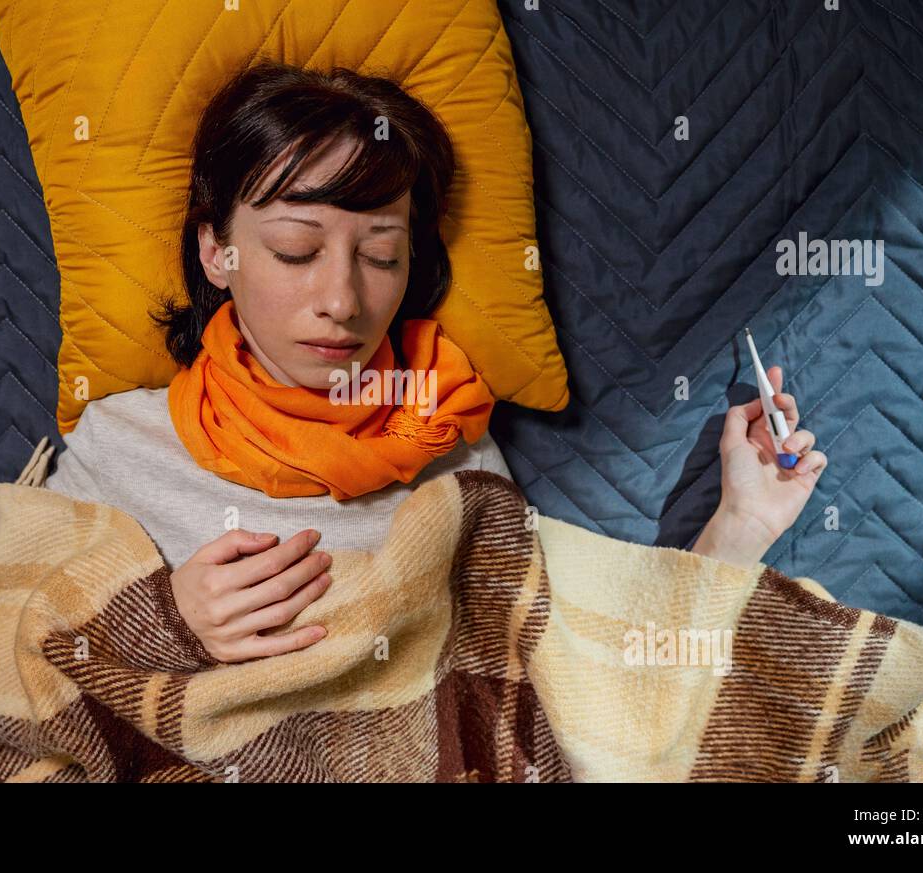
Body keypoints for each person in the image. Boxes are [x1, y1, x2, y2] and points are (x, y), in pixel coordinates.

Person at [46, 61, 827, 666]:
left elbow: (566, 675)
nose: (342, 299)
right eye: (296, 250)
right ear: (218, 251)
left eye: (380, 255)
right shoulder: (120, 446)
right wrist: (159, 625)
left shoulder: (449, 435)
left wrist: (739, 525)